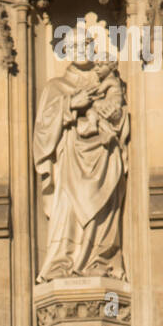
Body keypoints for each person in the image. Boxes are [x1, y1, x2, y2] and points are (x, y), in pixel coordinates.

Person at [33, 60, 129, 281]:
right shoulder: (55, 86)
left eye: (86, 44)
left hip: (104, 157)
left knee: (103, 210)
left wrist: (115, 116)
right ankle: (62, 263)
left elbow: (121, 121)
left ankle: (100, 259)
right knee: (68, 210)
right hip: (69, 161)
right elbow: (42, 132)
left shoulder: (107, 83)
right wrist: (70, 105)